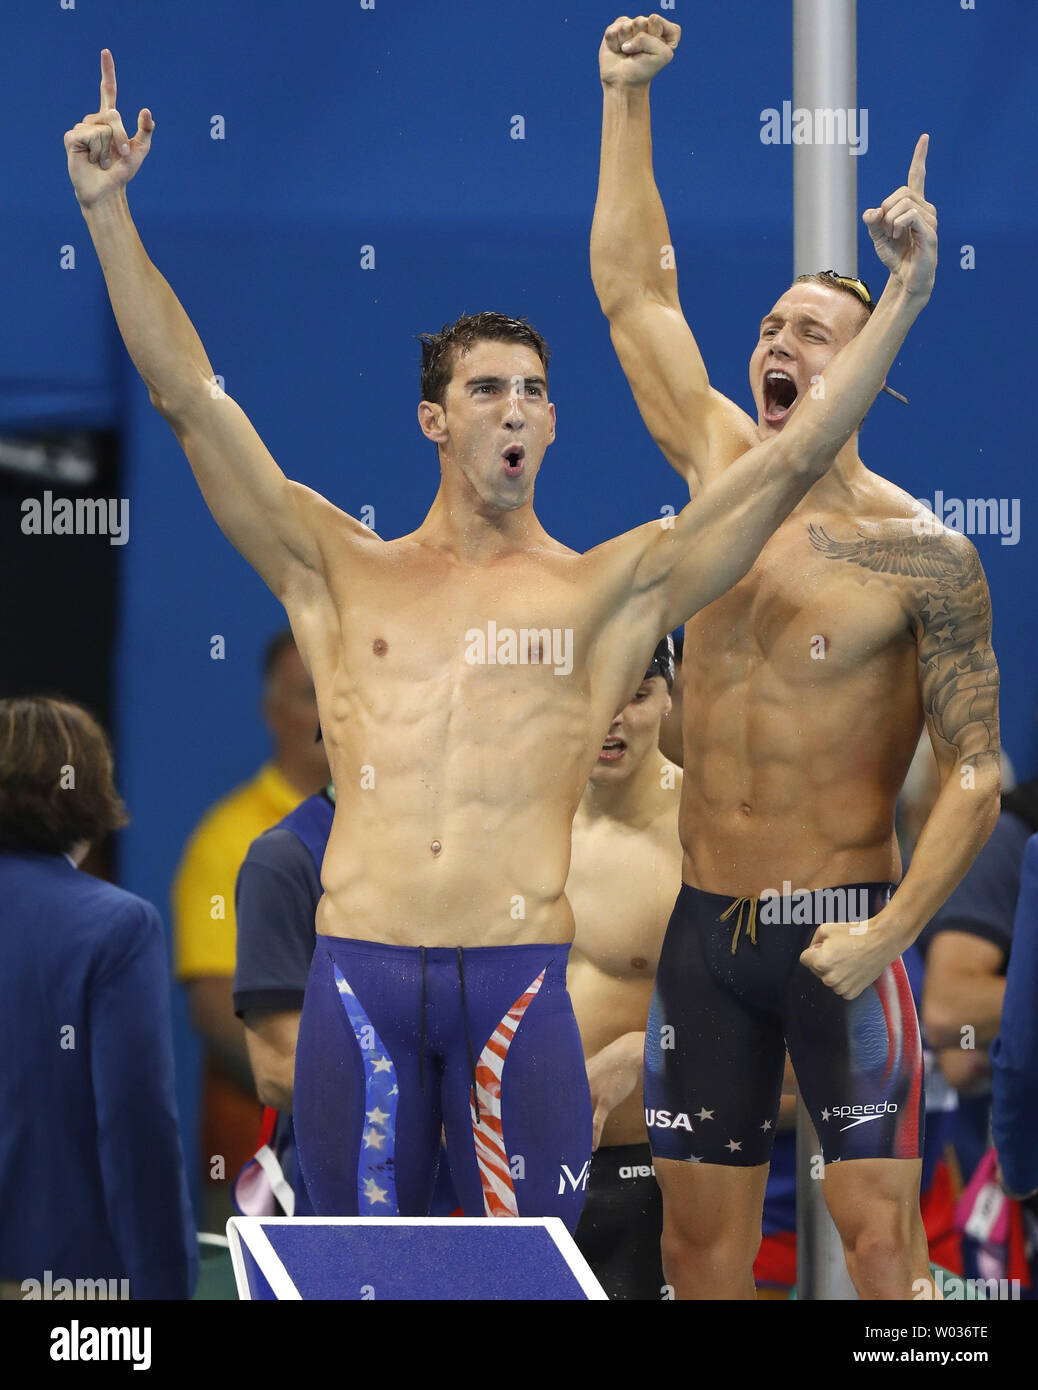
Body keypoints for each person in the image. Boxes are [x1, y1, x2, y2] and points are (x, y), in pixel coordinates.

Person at [66, 47, 930, 1233]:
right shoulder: (336, 567)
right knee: (366, 1283)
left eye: (533, 390)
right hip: (361, 973)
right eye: (486, 390)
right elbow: (190, 400)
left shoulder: (604, 593)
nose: (514, 407)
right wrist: (109, 213)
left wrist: (911, 302)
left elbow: (785, 465)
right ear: (434, 416)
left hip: (520, 989)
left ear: (556, 422)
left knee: (519, 1282)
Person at [591, 15, 996, 1298]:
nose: (776, 344)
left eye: (813, 332)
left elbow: (979, 774)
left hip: (844, 930)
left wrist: (896, 935)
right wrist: (623, 97)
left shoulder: (922, 557)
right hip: (704, 934)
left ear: (875, 371)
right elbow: (635, 295)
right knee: (696, 1250)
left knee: (884, 1247)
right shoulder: (719, 471)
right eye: (770, 325)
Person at [0, 697, 197, 1300]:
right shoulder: (116, 926)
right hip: (65, 1290)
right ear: (91, 795)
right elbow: (136, 1122)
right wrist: (165, 1285)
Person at [173, 628, 328, 1228]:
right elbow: (215, 1004)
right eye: (308, 693)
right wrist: (319, 1102)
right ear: (271, 711)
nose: (326, 710)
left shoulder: (401, 828)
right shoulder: (229, 840)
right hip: (256, 1152)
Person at [569, 637, 681, 1298]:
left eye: (636, 694)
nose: (613, 716)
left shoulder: (710, 841)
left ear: (670, 693)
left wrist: (649, 1056)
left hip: (647, 1181)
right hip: (496, 1175)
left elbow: (796, 1054)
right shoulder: (504, 829)